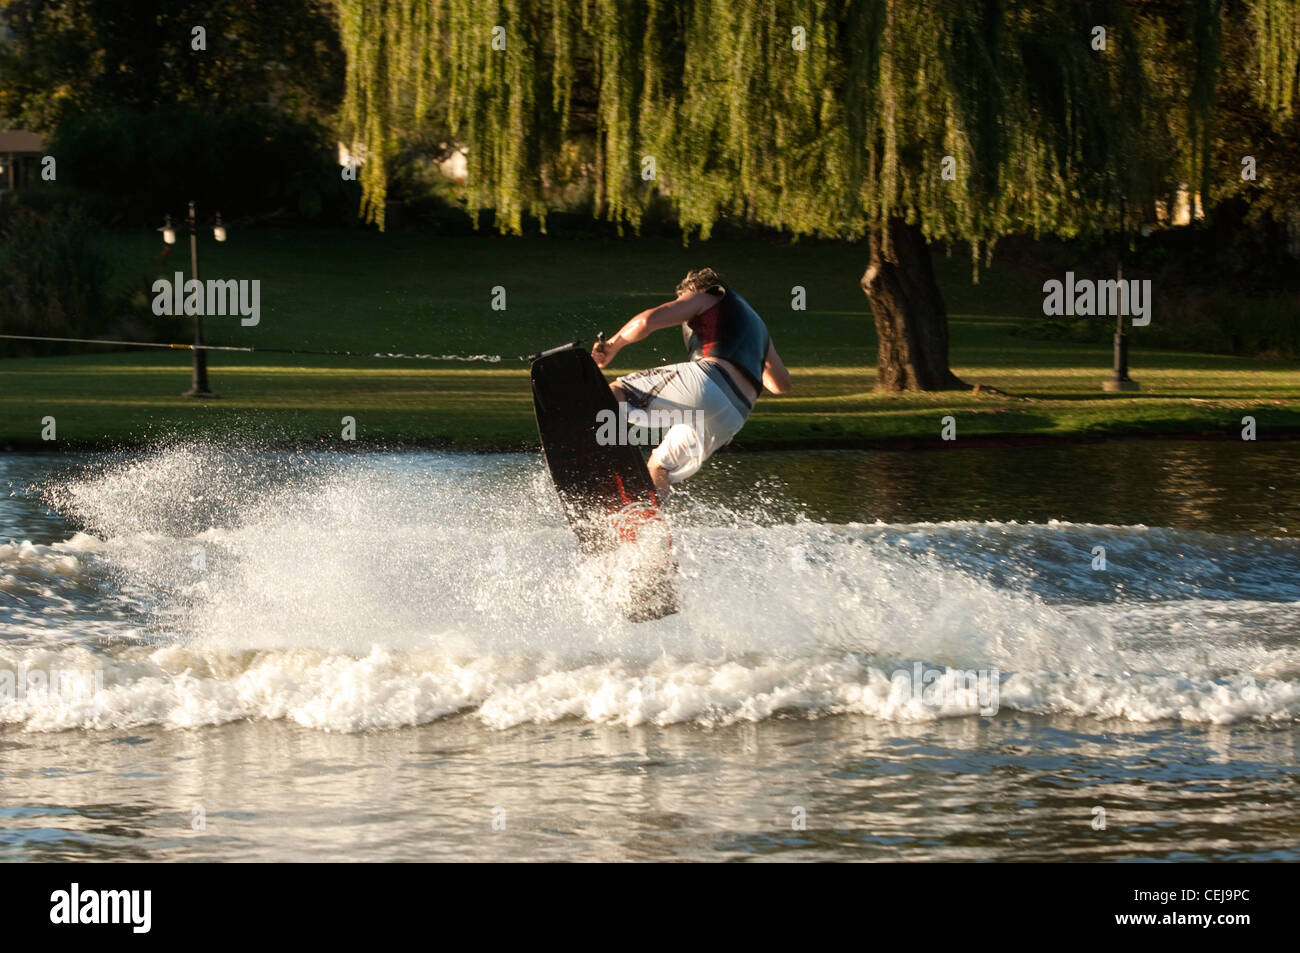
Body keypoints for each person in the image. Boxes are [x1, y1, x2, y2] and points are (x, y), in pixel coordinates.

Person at [592, 268, 791, 495]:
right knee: (659, 464)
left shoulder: (707, 295)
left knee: (616, 391)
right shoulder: (759, 328)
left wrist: (611, 346)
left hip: (711, 382)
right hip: (734, 416)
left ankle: (593, 454)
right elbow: (781, 384)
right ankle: (644, 522)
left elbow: (647, 320)